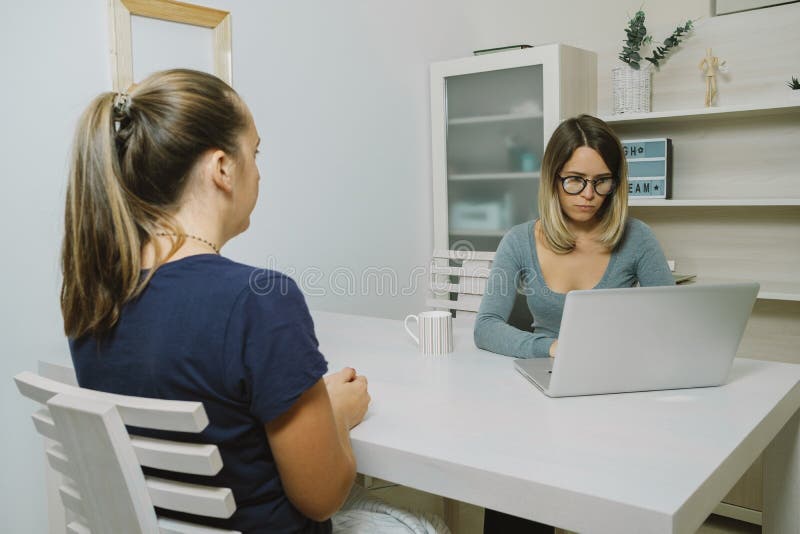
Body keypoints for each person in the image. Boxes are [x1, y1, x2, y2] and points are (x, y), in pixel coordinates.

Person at [61, 69, 446, 534]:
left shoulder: (93, 297)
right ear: (222, 168)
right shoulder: (259, 301)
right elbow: (322, 498)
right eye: (255, 152)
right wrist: (336, 416)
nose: (259, 171)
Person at [473, 114, 674, 533]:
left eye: (603, 181)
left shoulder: (637, 239)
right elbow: (487, 326)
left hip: (614, 392)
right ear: (553, 178)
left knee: (617, 496)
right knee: (519, 483)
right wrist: (550, 348)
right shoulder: (519, 240)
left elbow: (670, 324)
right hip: (543, 387)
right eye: (575, 180)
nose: (589, 195)